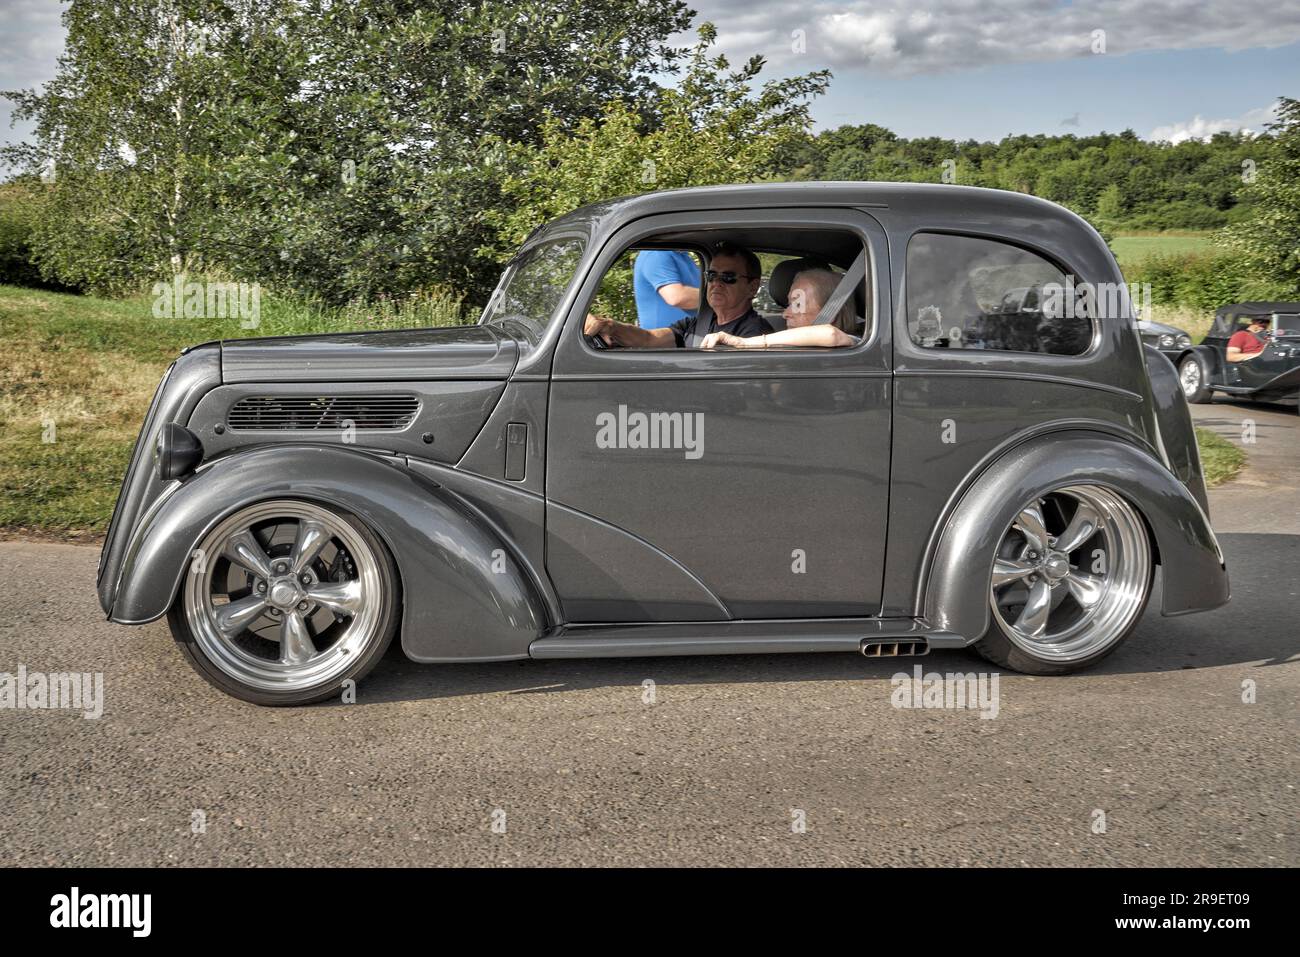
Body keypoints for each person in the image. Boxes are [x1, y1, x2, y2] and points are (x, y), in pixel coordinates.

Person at [585, 243, 772, 348]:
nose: (716, 283)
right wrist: (611, 326)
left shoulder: (755, 333)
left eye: (728, 277)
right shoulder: (697, 323)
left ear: (752, 287)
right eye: (712, 275)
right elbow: (649, 339)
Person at [701, 267, 860, 349]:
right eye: (788, 304)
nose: (785, 314)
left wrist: (744, 343)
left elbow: (831, 334)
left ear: (830, 313)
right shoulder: (791, 347)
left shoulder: (853, 344)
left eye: (798, 304)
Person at [634, 249, 700, 329]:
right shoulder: (656, 253)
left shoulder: (682, 255)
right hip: (665, 339)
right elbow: (677, 297)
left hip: (689, 335)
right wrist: (715, 296)